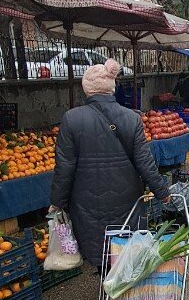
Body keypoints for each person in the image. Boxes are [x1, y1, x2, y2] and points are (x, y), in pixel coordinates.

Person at [51, 59, 170, 268]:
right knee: (124, 247)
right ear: (111, 88)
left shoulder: (71, 119)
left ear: (87, 88)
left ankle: (106, 280)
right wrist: (162, 192)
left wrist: (57, 201)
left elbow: (64, 168)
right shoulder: (131, 118)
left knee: (99, 246)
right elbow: (145, 162)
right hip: (126, 196)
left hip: (86, 199)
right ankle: (122, 287)